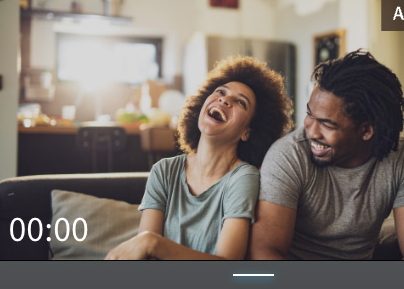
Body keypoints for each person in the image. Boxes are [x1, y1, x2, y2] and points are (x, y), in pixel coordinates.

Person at [248, 49, 404, 260]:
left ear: (366, 131)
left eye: (327, 124)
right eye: (309, 115)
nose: (311, 131)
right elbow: (265, 252)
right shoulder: (288, 155)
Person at [106, 56, 293, 260]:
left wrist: (154, 243)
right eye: (220, 92)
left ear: (247, 132)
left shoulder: (243, 178)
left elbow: (228, 267)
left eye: (240, 102)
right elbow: (144, 256)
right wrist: (149, 244)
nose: (224, 99)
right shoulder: (163, 171)